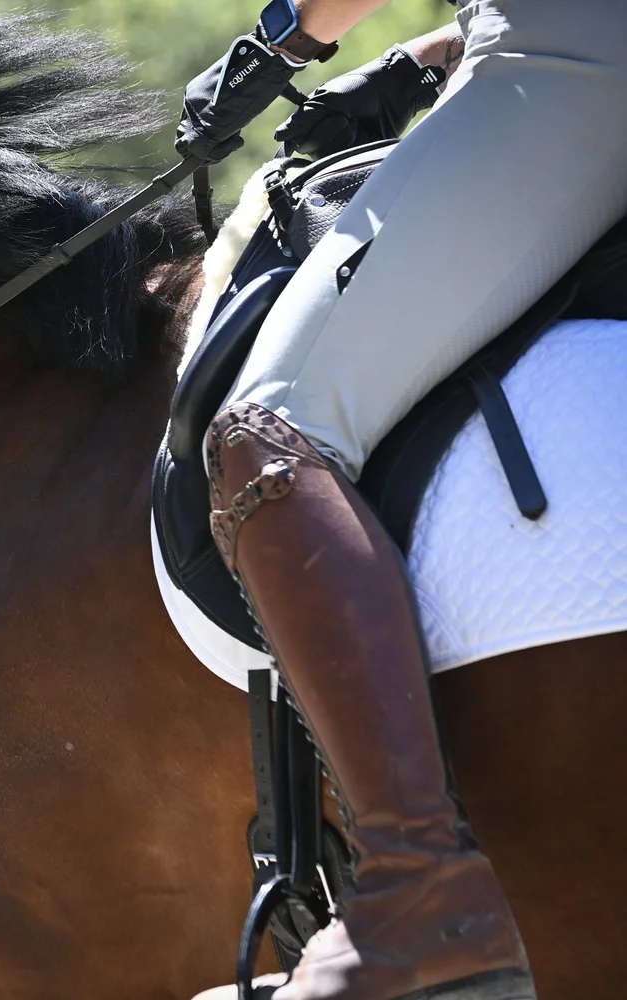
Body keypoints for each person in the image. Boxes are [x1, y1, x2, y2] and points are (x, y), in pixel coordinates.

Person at [177, 2, 627, 999]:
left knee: (269, 434)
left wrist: (286, 39)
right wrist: (427, 59)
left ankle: (417, 894)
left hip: (582, 69)